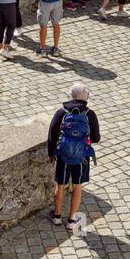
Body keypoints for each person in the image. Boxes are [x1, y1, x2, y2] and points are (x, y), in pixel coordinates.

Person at [47, 82, 100, 232]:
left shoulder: (61, 112)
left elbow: (52, 135)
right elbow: (96, 138)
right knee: (77, 185)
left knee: (60, 184)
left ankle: (56, 216)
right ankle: (71, 220)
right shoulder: (90, 114)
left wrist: (51, 153)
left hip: (63, 155)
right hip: (82, 156)